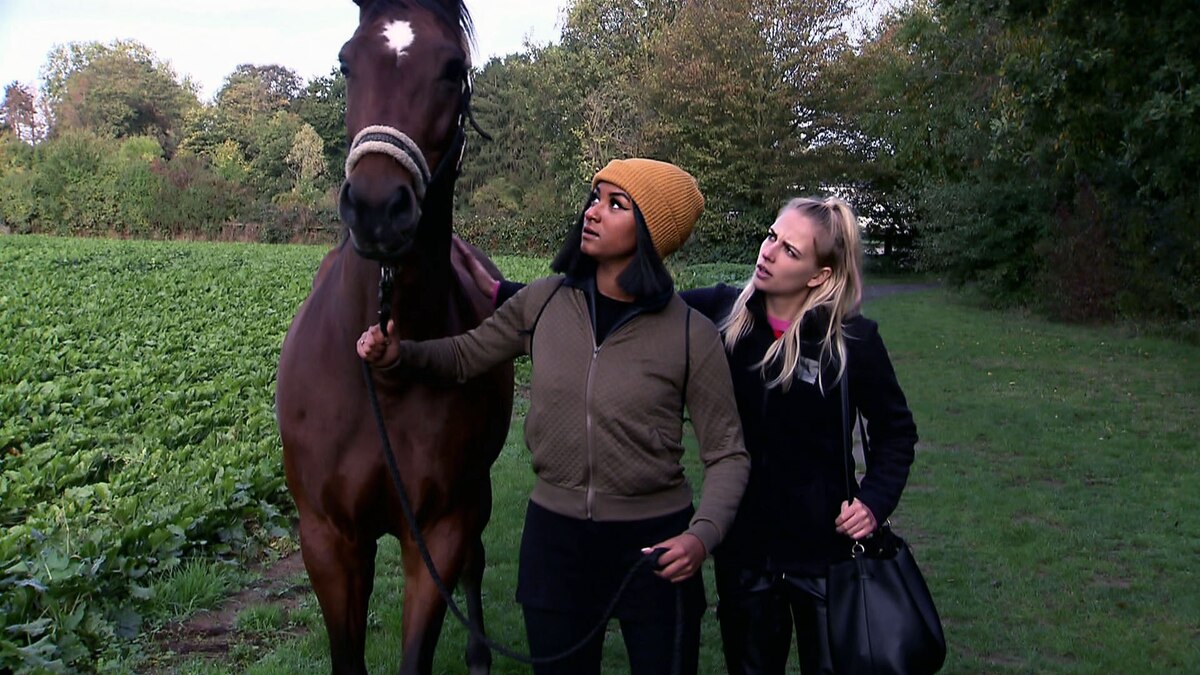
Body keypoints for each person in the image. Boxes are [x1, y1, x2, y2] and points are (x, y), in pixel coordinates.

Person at [465, 196, 919, 674]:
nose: (768, 252)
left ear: (819, 275)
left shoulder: (853, 342)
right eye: (770, 237)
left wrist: (873, 502)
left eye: (790, 250)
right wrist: (504, 294)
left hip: (824, 552)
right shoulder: (723, 313)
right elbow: (629, 306)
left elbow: (896, 432)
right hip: (745, 550)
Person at [357, 158, 750, 675]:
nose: (593, 211)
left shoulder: (691, 335)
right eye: (595, 197)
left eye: (616, 204)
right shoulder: (542, 302)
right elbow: (464, 356)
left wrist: (701, 536)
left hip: (657, 546)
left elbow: (727, 453)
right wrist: (400, 355)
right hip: (556, 543)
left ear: (653, 233)